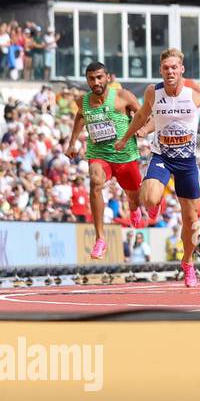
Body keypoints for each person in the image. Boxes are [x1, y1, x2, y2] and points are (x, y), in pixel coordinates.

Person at [114, 48, 200, 287]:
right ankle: (154, 203)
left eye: (174, 68)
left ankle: (188, 263)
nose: (170, 72)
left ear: (182, 70)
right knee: (148, 197)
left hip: (186, 162)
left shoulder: (197, 90)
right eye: (166, 68)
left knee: (191, 223)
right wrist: (126, 137)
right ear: (160, 70)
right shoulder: (152, 92)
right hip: (162, 156)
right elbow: (142, 117)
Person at [64, 61, 152, 259]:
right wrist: (72, 143)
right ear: (87, 80)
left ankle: (134, 206)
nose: (95, 82)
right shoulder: (82, 101)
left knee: (133, 195)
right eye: (91, 79)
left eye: (99, 77)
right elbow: (80, 116)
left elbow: (143, 114)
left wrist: (142, 128)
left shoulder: (123, 96)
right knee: (95, 182)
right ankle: (100, 239)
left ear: (107, 78)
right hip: (99, 154)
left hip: (125, 156)